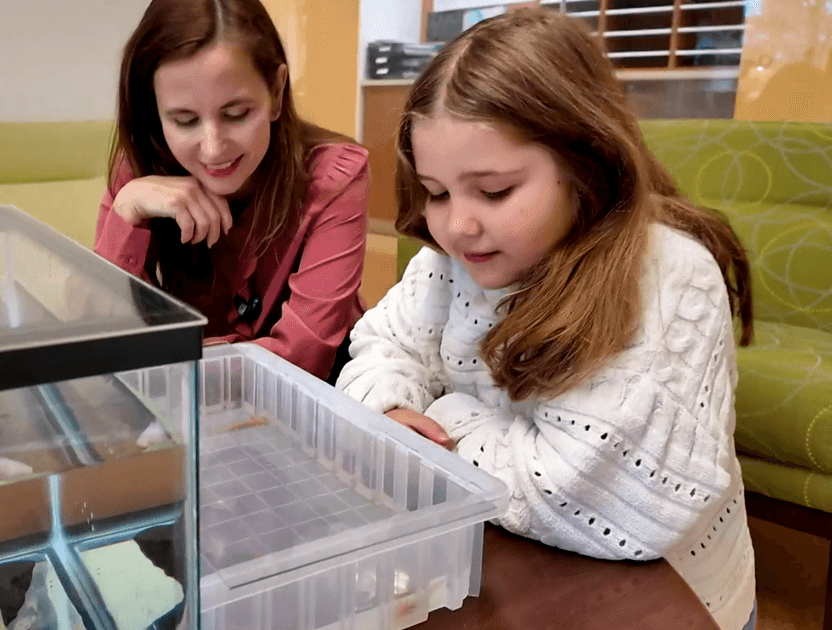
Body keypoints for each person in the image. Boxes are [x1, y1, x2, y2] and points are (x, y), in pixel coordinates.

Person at [335, 9, 757, 630]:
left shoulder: (669, 277)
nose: (457, 225)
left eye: (496, 191)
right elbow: (381, 346)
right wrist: (391, 408)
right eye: (439, 191)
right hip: (502, 566)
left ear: (585, 165)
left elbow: (588, 498)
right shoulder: (455, 258)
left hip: (662, 598)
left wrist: (443, 418)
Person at [94, 0, 370, 383]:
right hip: (193, 398)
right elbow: (102, 334)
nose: (213, 148)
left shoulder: (335, 177)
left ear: (276, 92)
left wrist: (166, 360)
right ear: (153, 113)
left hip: (317, 394)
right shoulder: (140, 169)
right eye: (184, 120)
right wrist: (126, 211)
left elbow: (304, 355)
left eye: (237, 114)